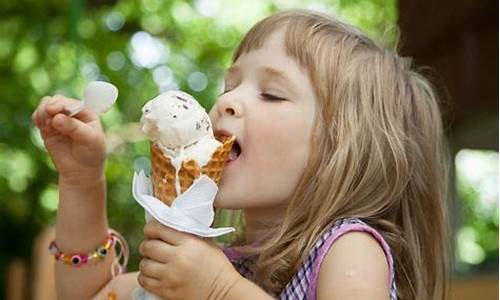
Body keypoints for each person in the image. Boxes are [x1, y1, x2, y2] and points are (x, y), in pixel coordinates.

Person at [32, 9, 450, 300]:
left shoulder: (348, 250)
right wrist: (82, 180)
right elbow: (91, 294)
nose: (227, 102)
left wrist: (218, 291)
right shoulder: (221, 264)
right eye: (230, 85)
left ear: (344, 149)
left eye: (271, 94)